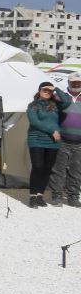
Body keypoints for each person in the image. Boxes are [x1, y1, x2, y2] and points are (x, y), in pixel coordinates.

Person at [26, 81, 72, 208]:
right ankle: (32, 197)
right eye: (44, 89)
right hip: (36, 139)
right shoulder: (33, 106)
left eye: (49, 90)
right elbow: (34, 122)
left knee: (47, 168)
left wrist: (56, 88)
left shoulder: (56, 105)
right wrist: (52, 131)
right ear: (39, 91)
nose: (47, 92)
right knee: (38, 167)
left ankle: (40, 195)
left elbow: (67, 101)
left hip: (53, 142)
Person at [48, 75, 81, 207]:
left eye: (79, 82)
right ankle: (57, 196)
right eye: (74, 82)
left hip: (79, 143)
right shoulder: (58, 97)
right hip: (61, 140)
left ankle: (73, 197)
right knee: (58, 170)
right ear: (68, 82)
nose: (77, 84)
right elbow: (50, 116)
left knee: (77, 170)